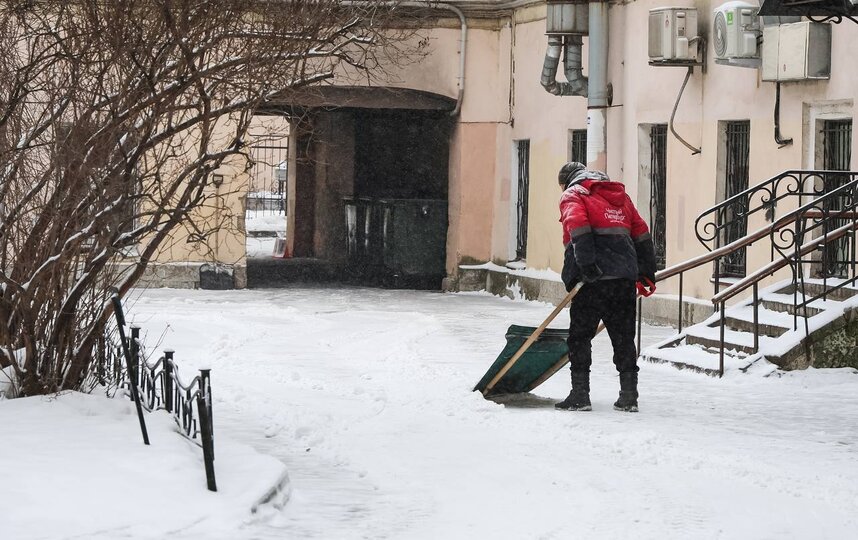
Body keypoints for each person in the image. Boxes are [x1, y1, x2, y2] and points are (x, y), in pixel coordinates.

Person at [555, 162, 656, 412]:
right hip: (622, 278)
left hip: (591, 280)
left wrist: (587, 266)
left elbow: (578, 228)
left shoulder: (573, 194)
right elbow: (642, 234)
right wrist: (647, 272)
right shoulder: (620, 198)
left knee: (579, 337)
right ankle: (629, 396)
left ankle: (580, 395)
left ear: (567, 181)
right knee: (623, 337)